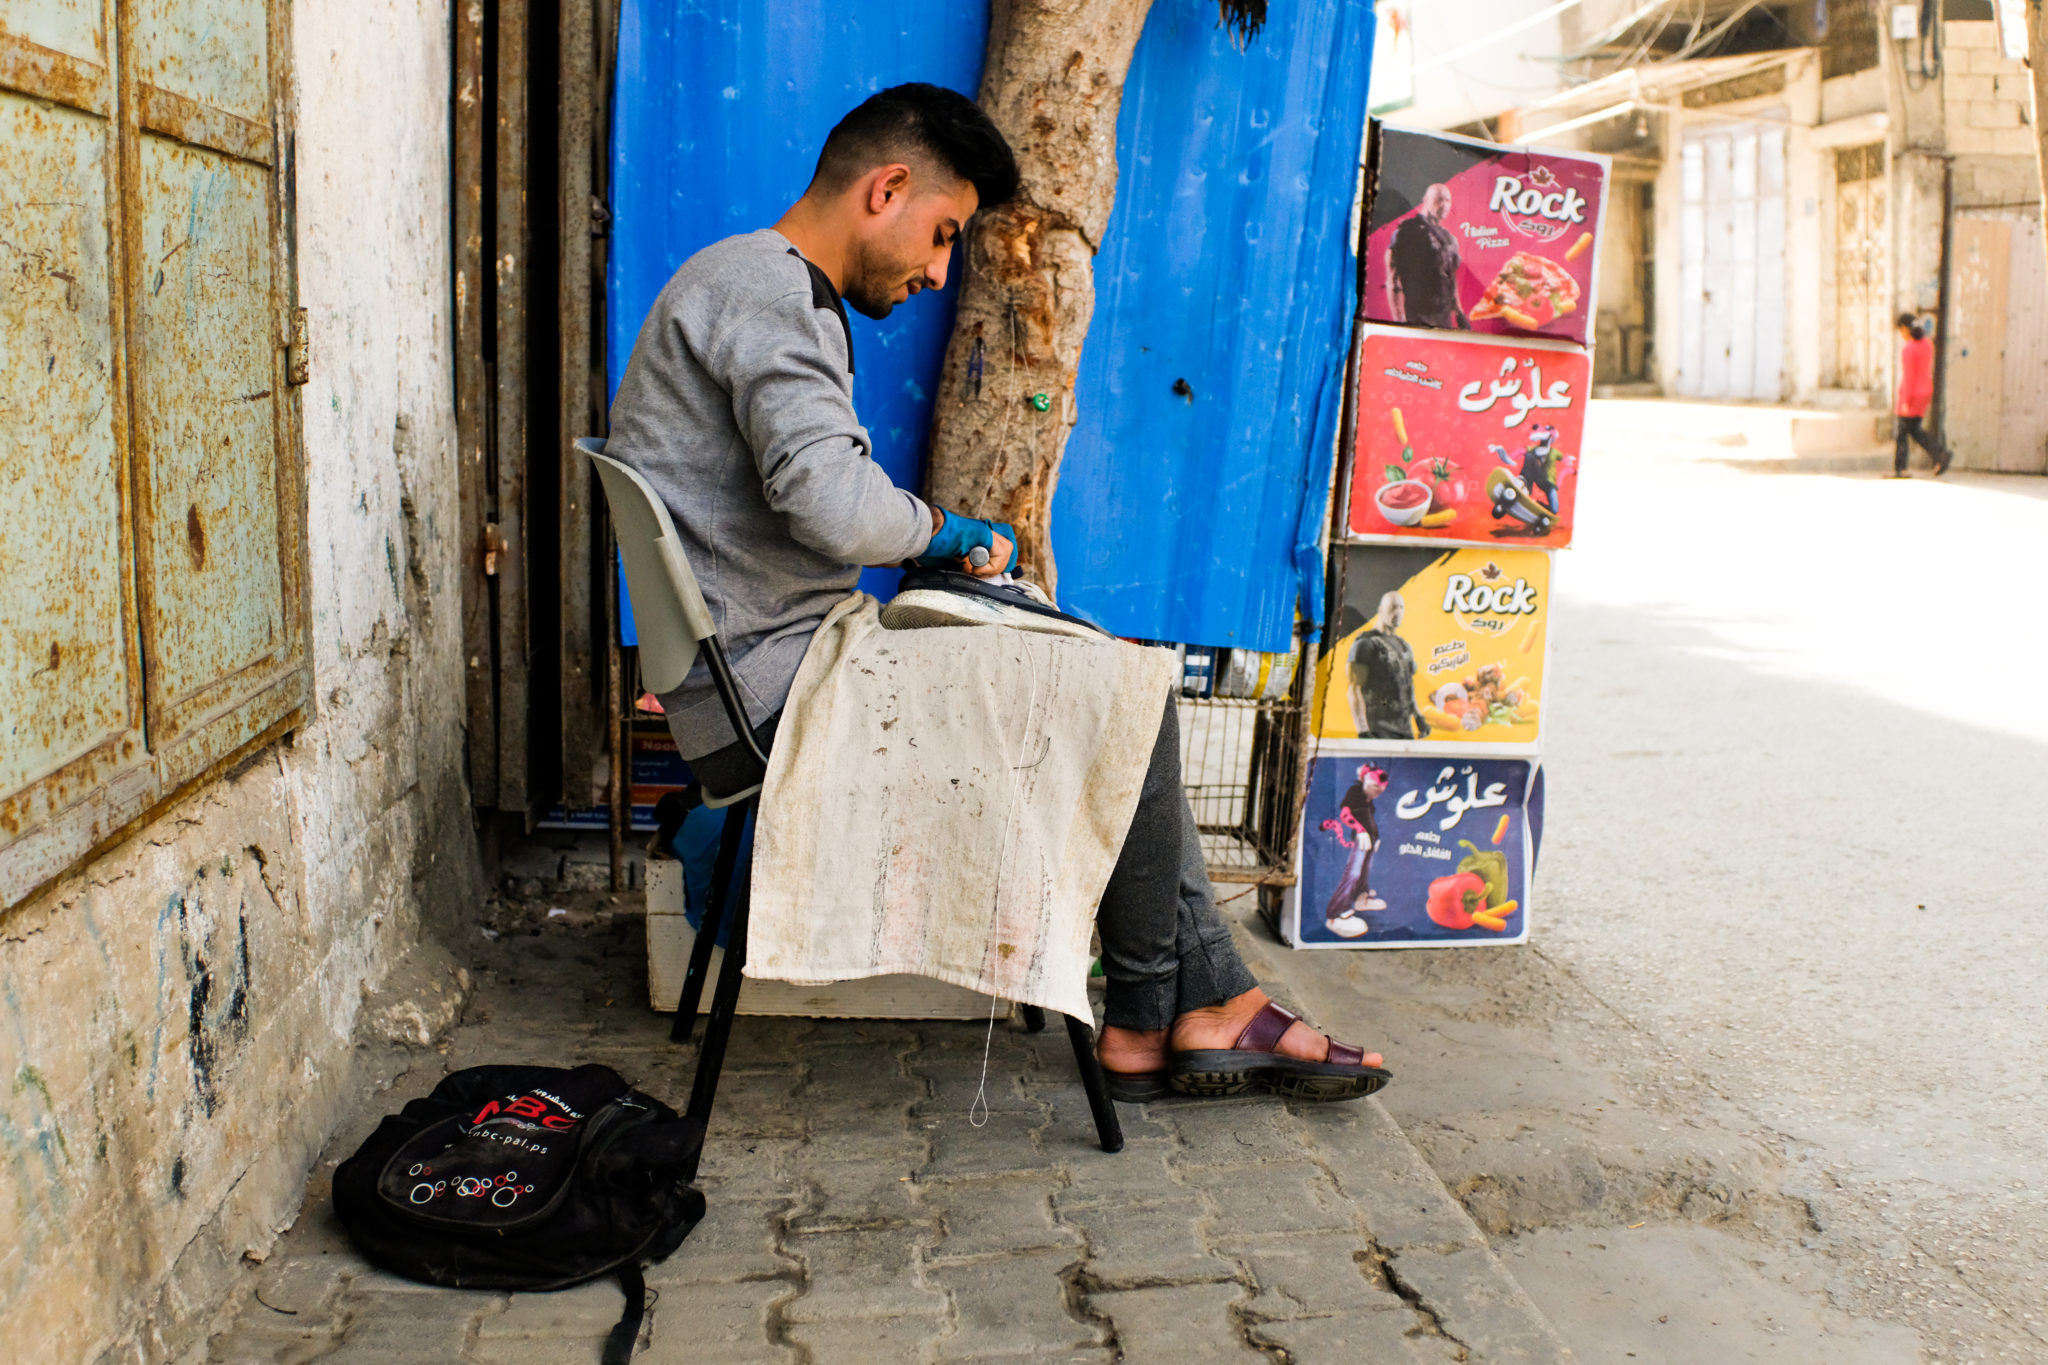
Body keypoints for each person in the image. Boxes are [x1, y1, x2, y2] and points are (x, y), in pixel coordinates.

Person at [605, 84, 1386, 1102]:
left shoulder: (740, 284)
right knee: (1118, 682)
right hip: (783, 694)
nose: (938, 272)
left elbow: (816, 498)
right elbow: (834, 509)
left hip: (761, 670)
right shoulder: (770, 292)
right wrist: (946, 531)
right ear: (884, 189)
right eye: (940, 236)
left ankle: (1172, 1008)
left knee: (1099, 668)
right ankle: (1174, 1008)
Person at [1320, 764, 1390, 939]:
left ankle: (1361, 899)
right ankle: (1335, 914)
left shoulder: (1367, 799)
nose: (1377, 793)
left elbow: (1369, 818)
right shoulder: (1355, 792)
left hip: (1371, 840)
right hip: (1362, 839)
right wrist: (1360, 830)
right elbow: (1345, 814)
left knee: (1365, 870)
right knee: (1353, 873)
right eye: (1375, 788)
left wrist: (1376, 837)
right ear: (1365, 780)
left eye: (1380, 791)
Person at [1386, 182, 1467, 330]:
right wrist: (1399, 322)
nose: (1444, 205)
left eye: (1447, 200)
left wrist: (1460, 313)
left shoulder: (1450, 239)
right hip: (1417, 318)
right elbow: (1394, 280)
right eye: (1439, 200)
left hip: (1443, 319)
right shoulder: (1407, 232)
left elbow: (1450, 278)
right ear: (1426, 200)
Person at [1346, 591, 1424, 740]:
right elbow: (1354, 689)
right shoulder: (1365, 643)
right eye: (1393, 607)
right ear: (1381, 610)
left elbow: (1407, 686)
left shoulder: (1405, 646)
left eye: (1401, 607)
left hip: (1404, 729)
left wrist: (1419, 717)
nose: (1398, 612)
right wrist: (1363, 730)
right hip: (1378, 729)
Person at [1890, 312, 1951, 478]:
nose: (1901, 335)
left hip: (1911, 394)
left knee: (1902, 433)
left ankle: (1900, 469)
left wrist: (1904, 401)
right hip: (1924, 393)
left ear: (1905, 329)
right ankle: (1940, 455)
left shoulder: (1909, 349)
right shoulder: (1927, 344)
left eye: (1901, 331)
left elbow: (1909, 377)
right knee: (1915, 431)